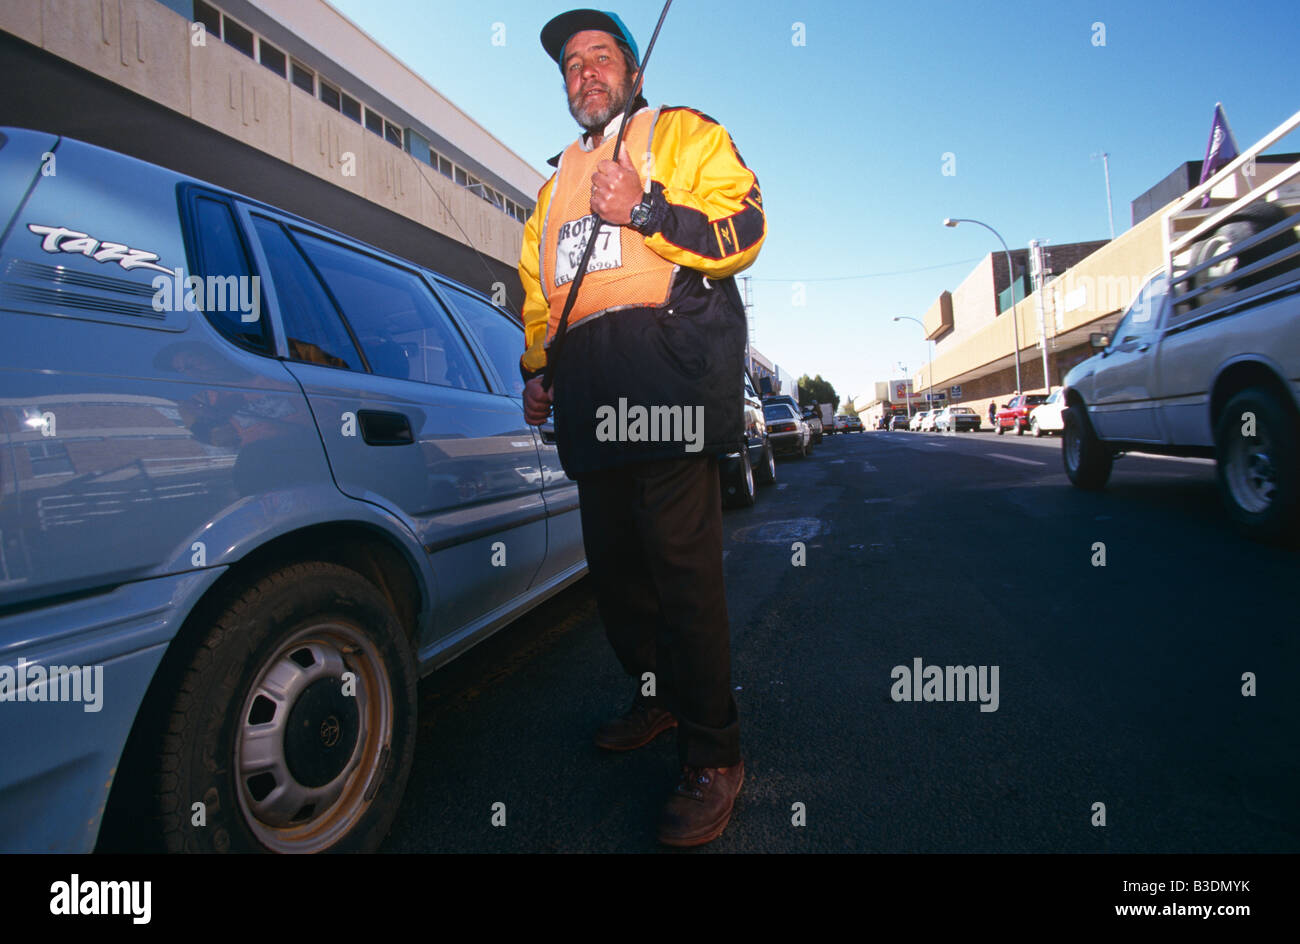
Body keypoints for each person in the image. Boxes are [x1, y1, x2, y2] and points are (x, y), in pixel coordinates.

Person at [518, 8, 766, 847]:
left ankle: (715, 752)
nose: (584, 73)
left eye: (600, 56)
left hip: (667, 380)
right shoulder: (552, 184)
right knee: (619, 576)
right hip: (588, 394)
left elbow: (746, 226)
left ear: (631, 68)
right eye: (571, 66)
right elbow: (536, 288)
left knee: (682, 574)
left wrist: (650, 208)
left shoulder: (682, 132)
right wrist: (535, 368)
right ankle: (657, 698)